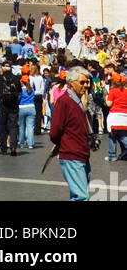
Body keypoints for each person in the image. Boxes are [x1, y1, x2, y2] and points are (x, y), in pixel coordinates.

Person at [49, 67, 93, 201]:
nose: (86, 85)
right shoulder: (64, 101)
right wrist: (64, 142)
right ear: (71, 82)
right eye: (82, 82)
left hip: (81, 153)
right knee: (81, 196)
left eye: (87, 82)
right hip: (72, 153)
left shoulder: (77, 101)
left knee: (78, 194)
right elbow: (55, 131)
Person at [0, 63, 21, 156]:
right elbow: (19, 92)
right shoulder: (16, 79)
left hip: (2, 104)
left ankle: (3, 148)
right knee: (13, 126)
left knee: (3, 126)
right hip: (13, 104)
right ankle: (13, 147)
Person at [18, 73, 37, 150]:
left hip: (22, 108)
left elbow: (18, 99)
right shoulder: (32, 90)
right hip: (31, 108)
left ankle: (21, 142)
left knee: (21, 127)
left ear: (22, 82)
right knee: (30, 127)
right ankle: (30, 143)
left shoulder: (21, 91)